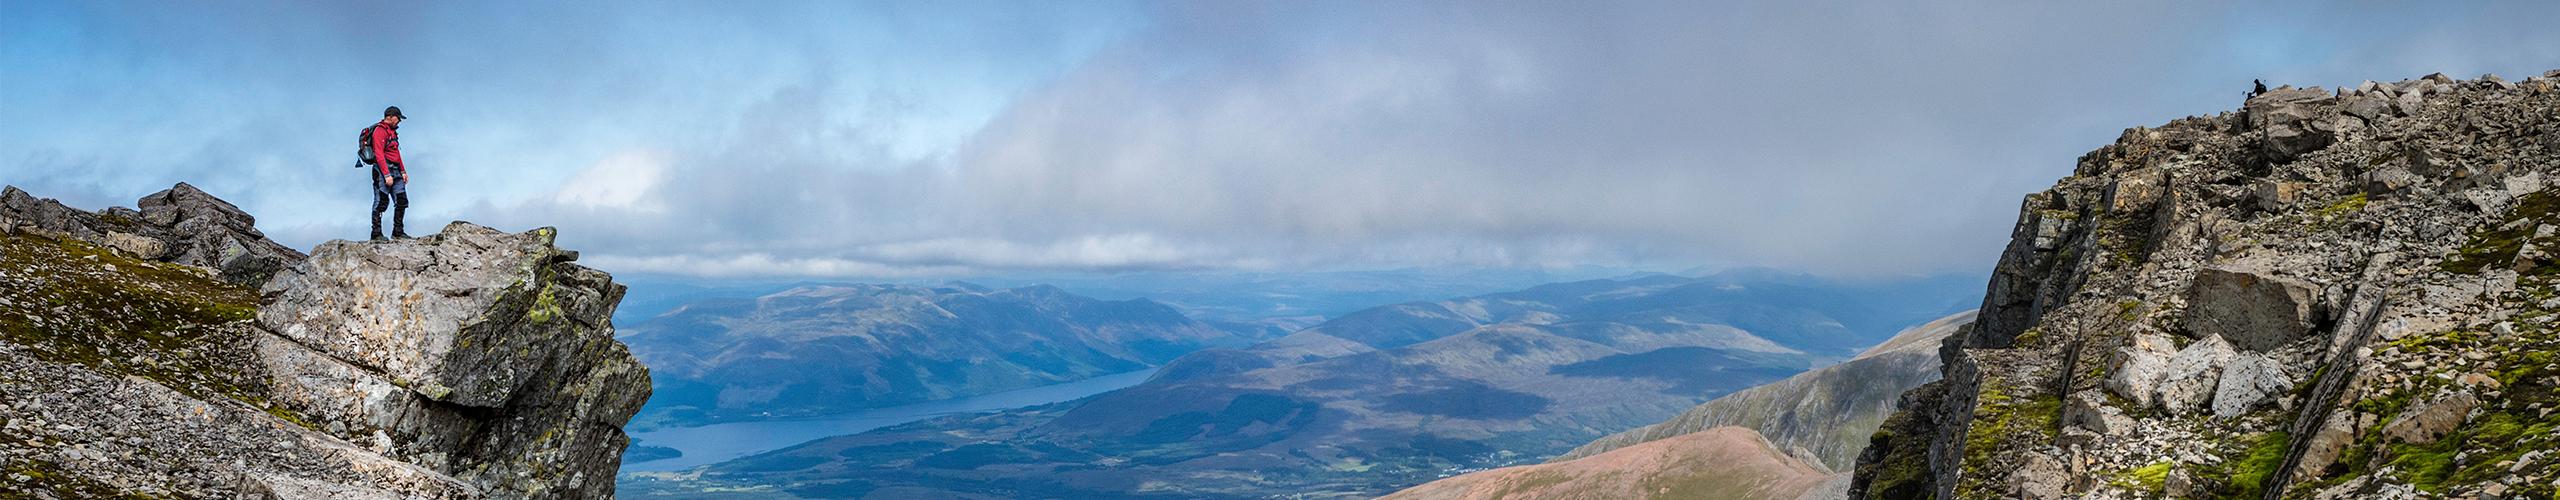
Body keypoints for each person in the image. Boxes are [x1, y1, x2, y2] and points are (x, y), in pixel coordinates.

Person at [368, 106, 410, 241]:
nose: (399, 121)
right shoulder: (380, 131)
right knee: (381, 202)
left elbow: (396, 153)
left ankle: (398, 232)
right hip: (382, 170)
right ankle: (376, 234)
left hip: (396, 170)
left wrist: (403, 171)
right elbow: (379, 154)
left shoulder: (393, 132)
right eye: (398, 118)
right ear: (390, 117)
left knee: (402, 201)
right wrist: (386, 175)